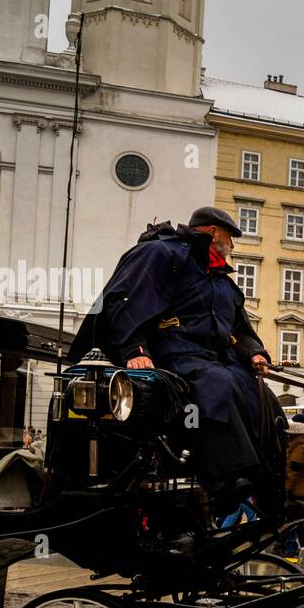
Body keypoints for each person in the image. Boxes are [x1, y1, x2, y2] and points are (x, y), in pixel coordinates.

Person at [70, 207, 282, 515]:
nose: (233, 246)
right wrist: (135, 351)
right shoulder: (162, 253)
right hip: (172, 352)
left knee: (260, 395)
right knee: (215, 384)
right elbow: (125, 299)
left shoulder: (222, 281)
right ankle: (225, 479)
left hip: (214, 357)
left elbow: (239, 330)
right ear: (212, 232)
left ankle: (266, 476)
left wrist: (254, 353)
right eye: (230, 238)